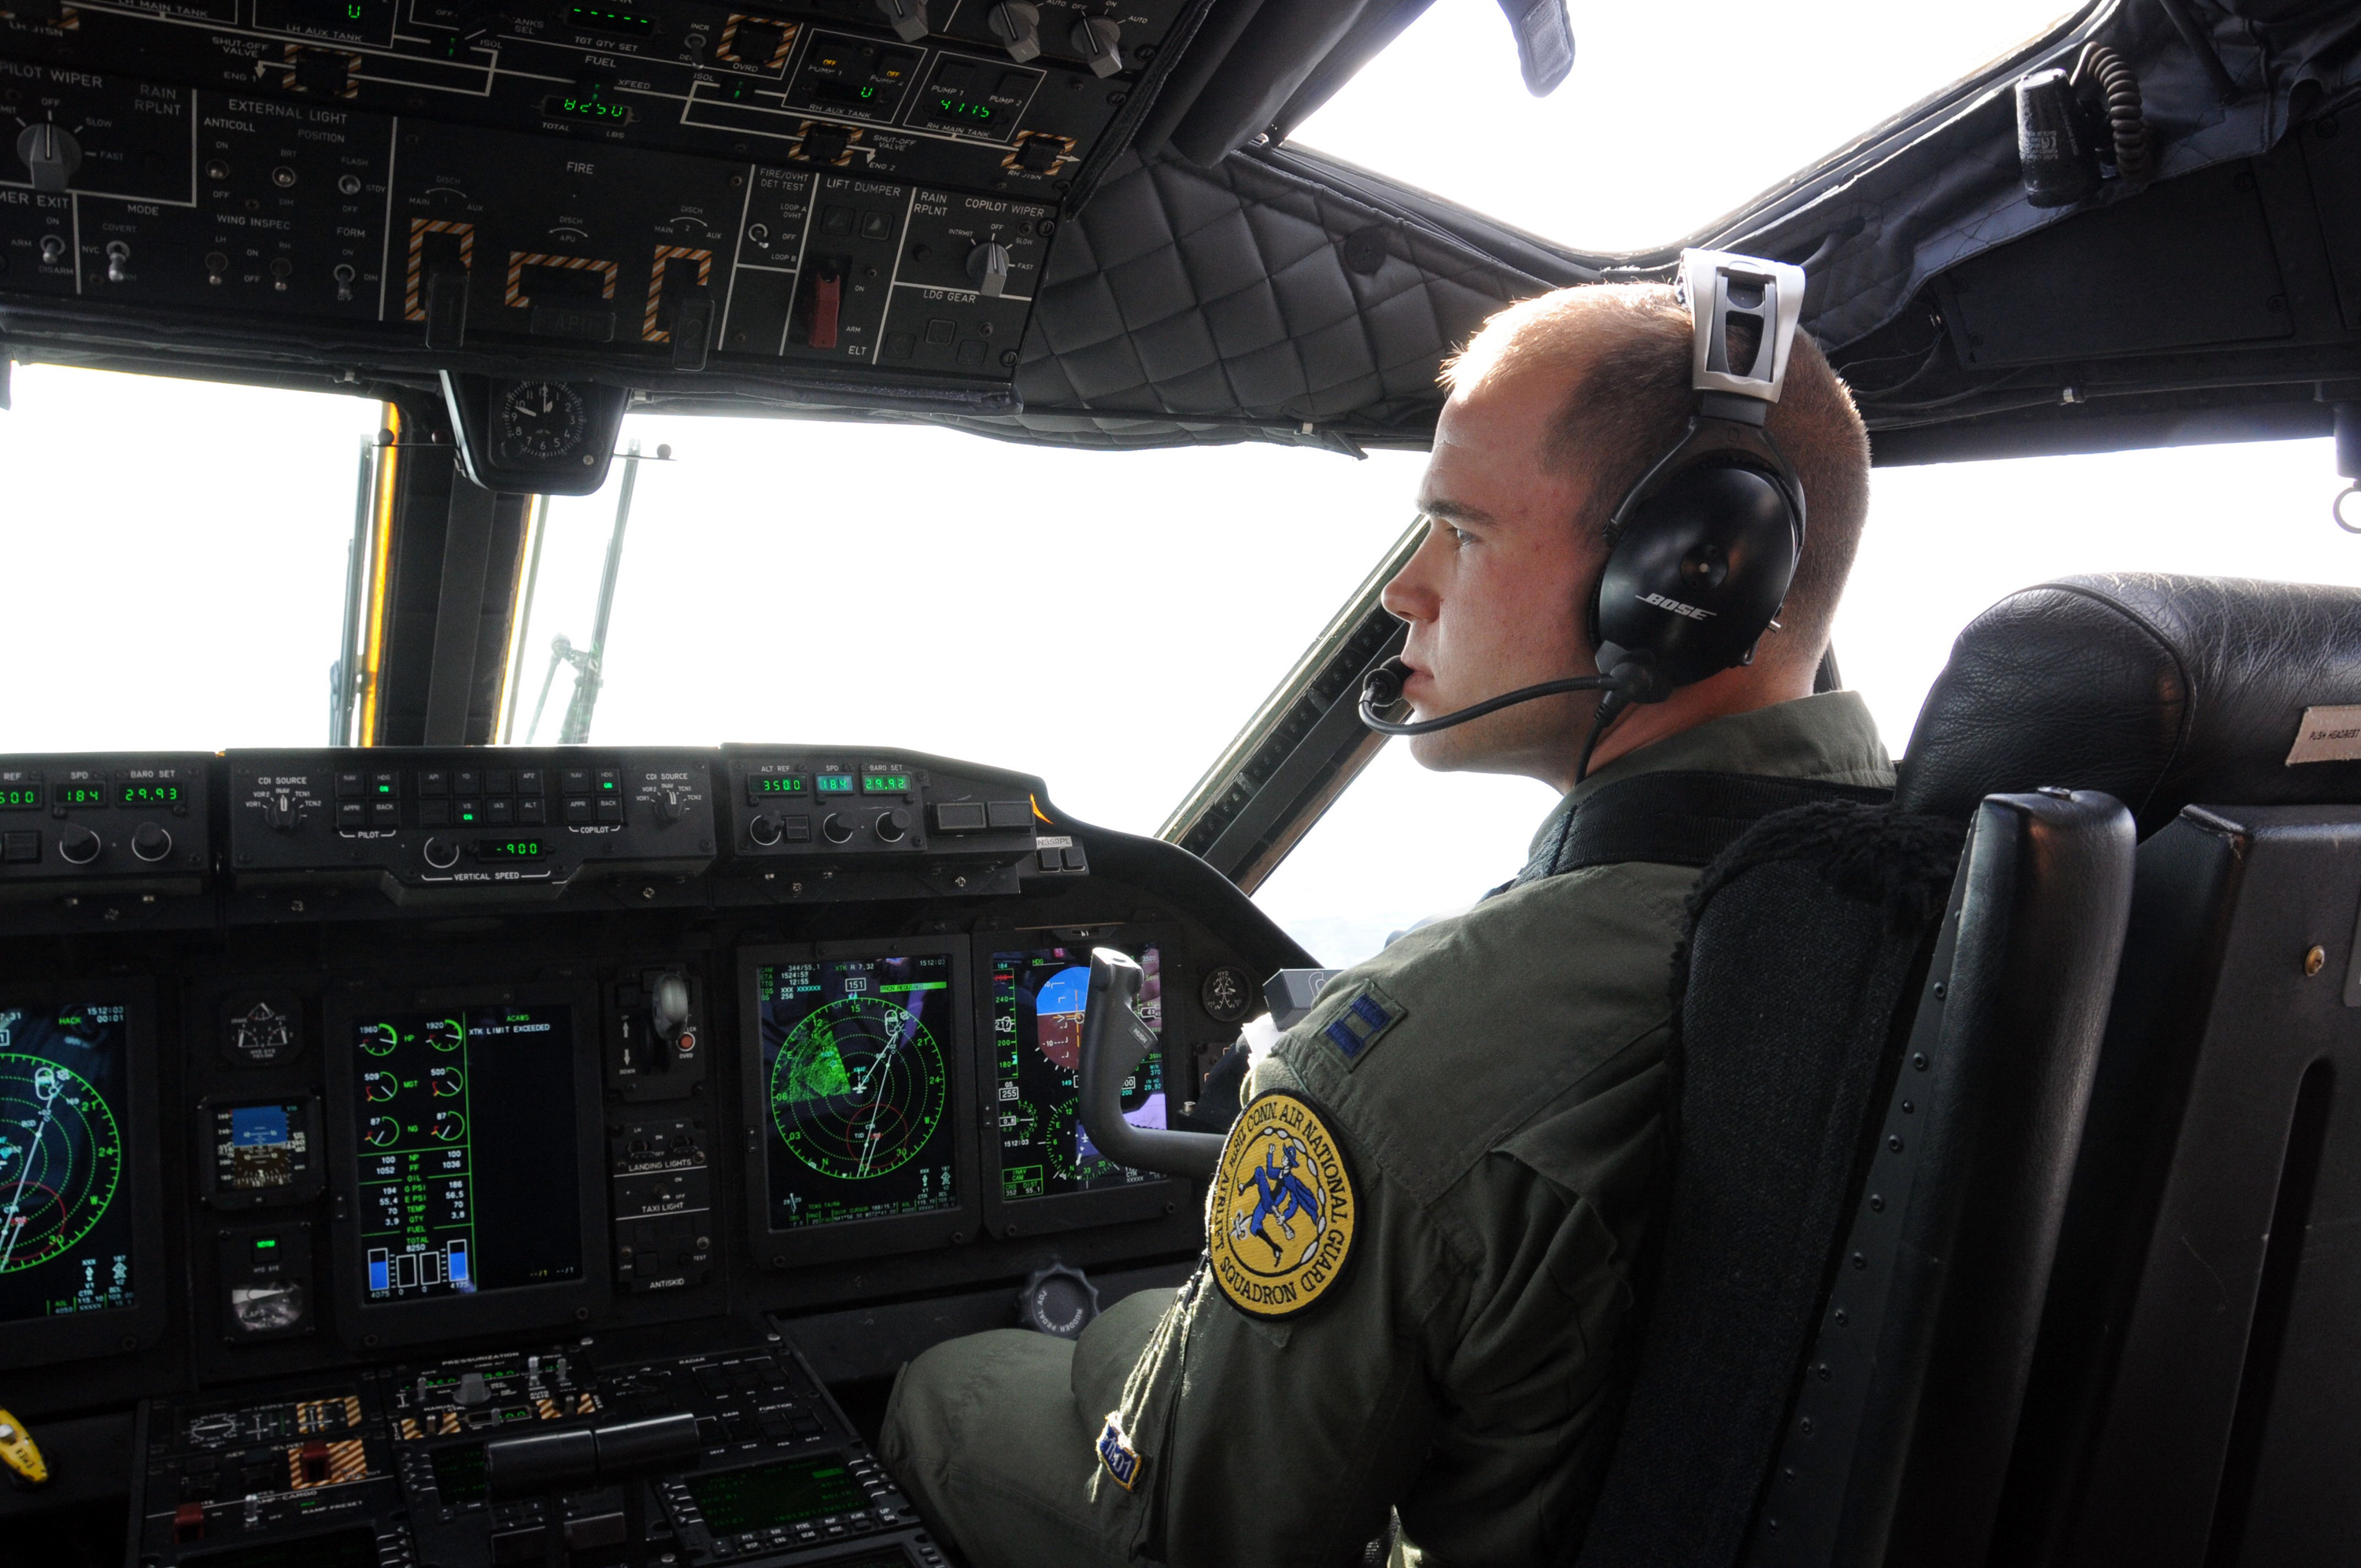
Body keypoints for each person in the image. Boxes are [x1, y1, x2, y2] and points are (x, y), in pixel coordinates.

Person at [879, 279, 1894, 1566]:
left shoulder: (1408, 1072)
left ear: (1687, 575)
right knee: (1135, 1335)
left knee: (957, 1386)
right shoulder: (1963, 897)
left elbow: (1199, 1529)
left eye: (1458, 532)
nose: (1405, 590)